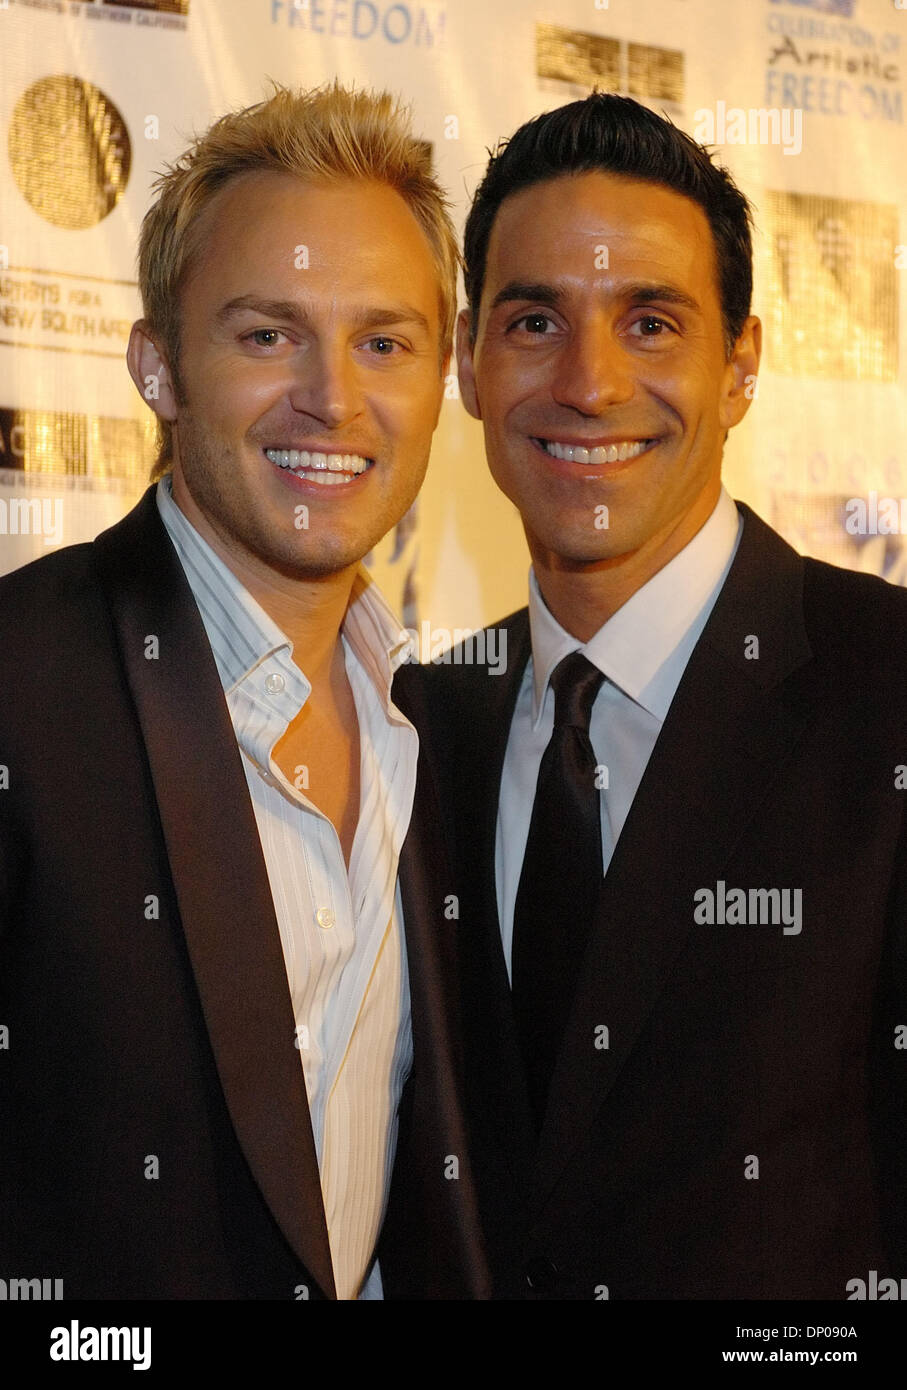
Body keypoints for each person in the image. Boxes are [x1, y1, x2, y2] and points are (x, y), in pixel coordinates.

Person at [0, 81, 488, 1301]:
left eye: (384, 340)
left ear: (448, 375)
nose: (333, 397)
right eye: (267, 334)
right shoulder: (22, 685)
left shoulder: (444, 729)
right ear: (156, 367)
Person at [419, 92, 907, 1299]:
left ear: (740, 363)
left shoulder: (887, 687)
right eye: (537, 321)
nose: (589, 384)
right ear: (470, 363)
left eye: (649, 322)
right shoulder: (412, 723)